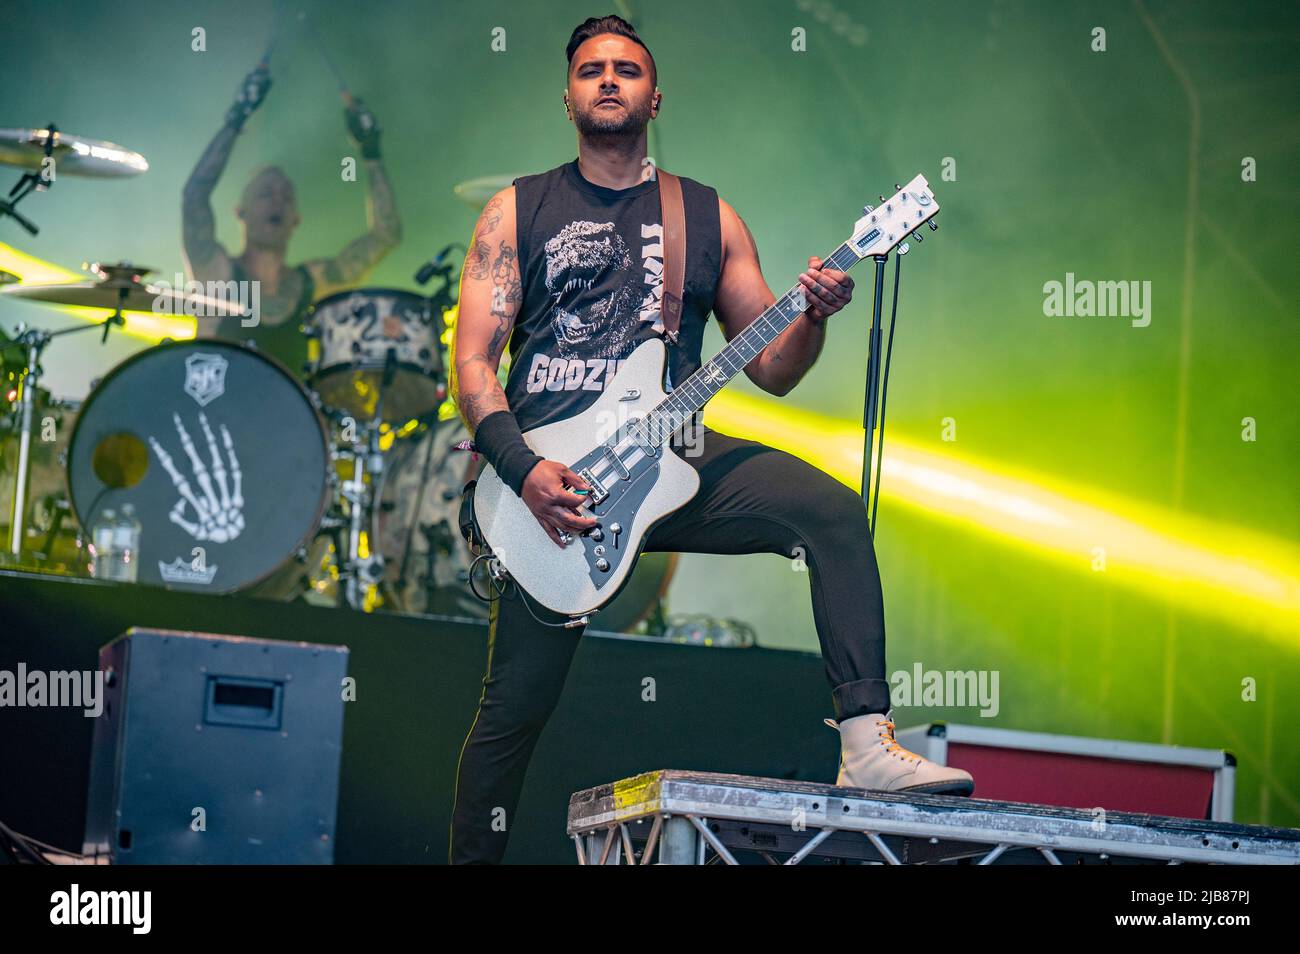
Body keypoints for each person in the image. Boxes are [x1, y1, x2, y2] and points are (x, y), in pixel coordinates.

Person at [448, 15, 973, 864]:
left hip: (674, 454)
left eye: (625, 69)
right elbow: (471, 364)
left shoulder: (705, 215)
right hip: (553, 480)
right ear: (570, 95)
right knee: (510, 716)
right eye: (590, 70)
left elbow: (774, 368)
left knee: (832, 514)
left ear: (656, 97)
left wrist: (815, 318)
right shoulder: (518, 210)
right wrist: (524, 468)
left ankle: (867, 746)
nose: (608, 80)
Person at [181, 64, 402, 375]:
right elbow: (194, 195)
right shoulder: (216, 273)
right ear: (240, 212)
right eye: (265, 194)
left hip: (292, 421)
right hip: (217, 419)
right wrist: (236, 119)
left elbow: (386, 234)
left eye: (286, 196)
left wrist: (371, 153)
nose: (278, 200)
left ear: (296, 219)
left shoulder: (315, 282)